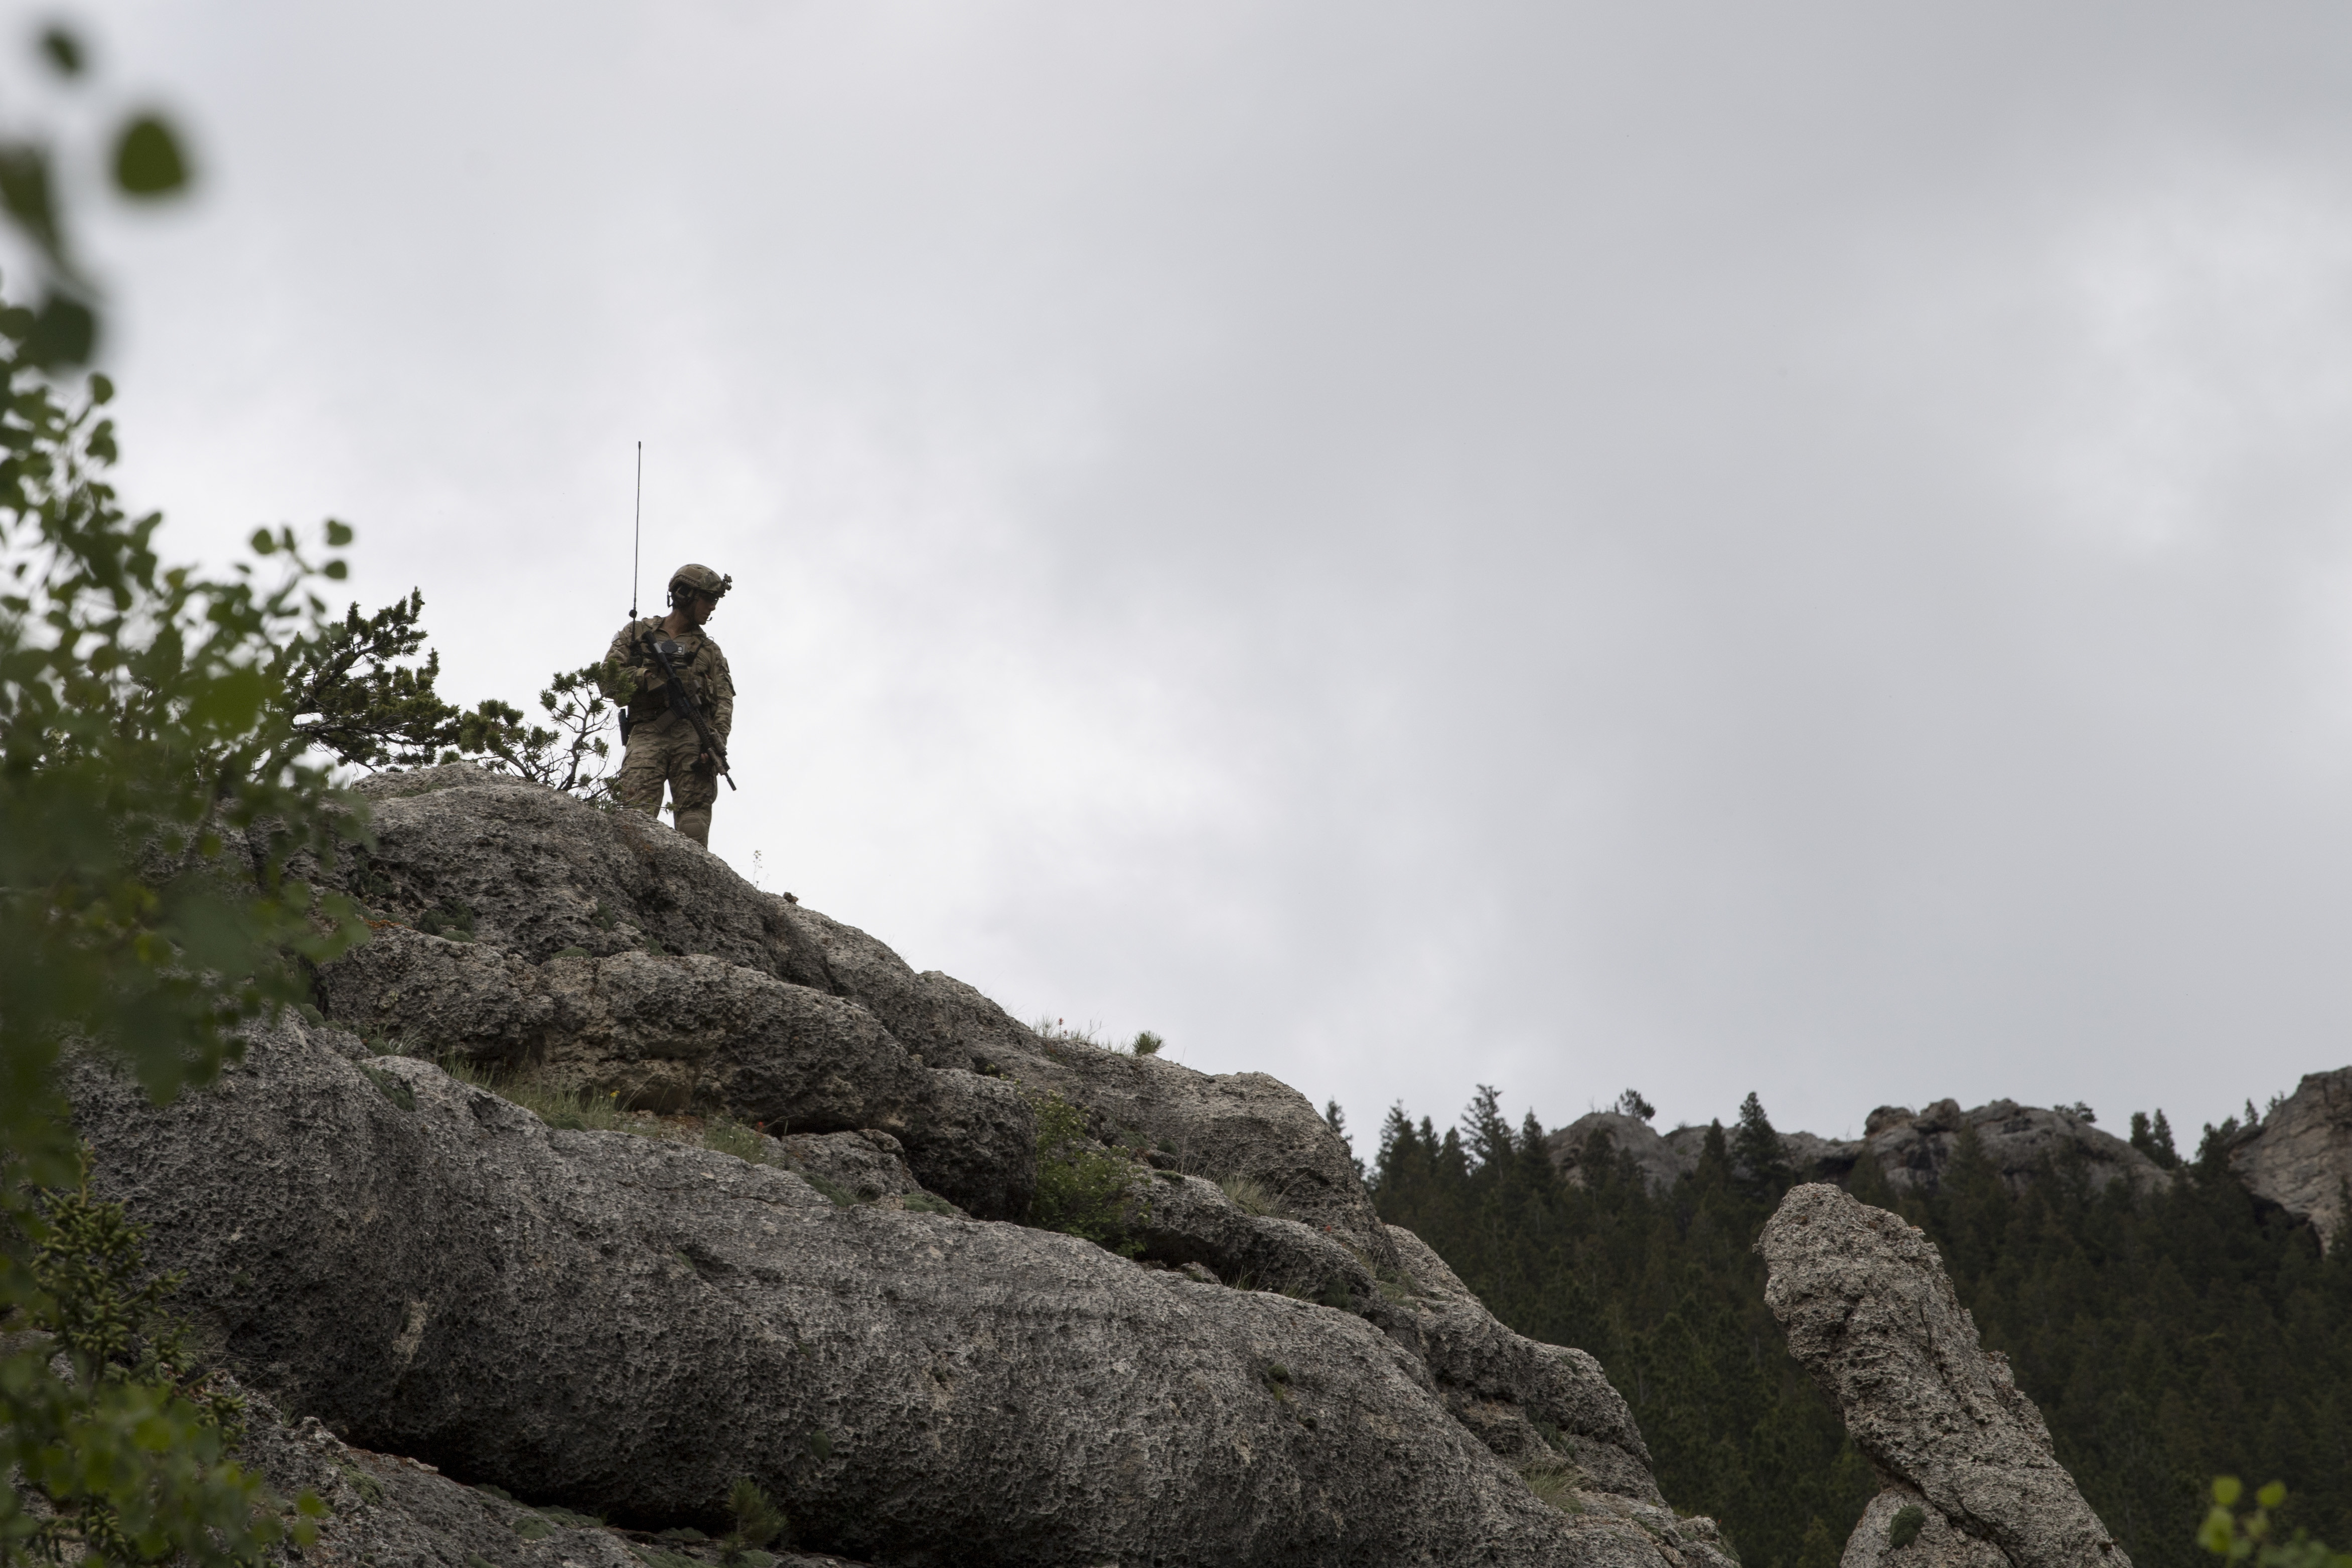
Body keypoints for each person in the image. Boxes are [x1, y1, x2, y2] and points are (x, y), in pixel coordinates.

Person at [602, 563, 735, 847]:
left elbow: (724, 703)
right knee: (633, 818)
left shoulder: (710, 651)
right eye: (708, 599)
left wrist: (715, 741)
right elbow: (607, 679)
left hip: (693, 737)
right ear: (685, 594)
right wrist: (645, 678)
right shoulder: (638, 633)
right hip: (647, 731)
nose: (712, 607)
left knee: (693, 826)